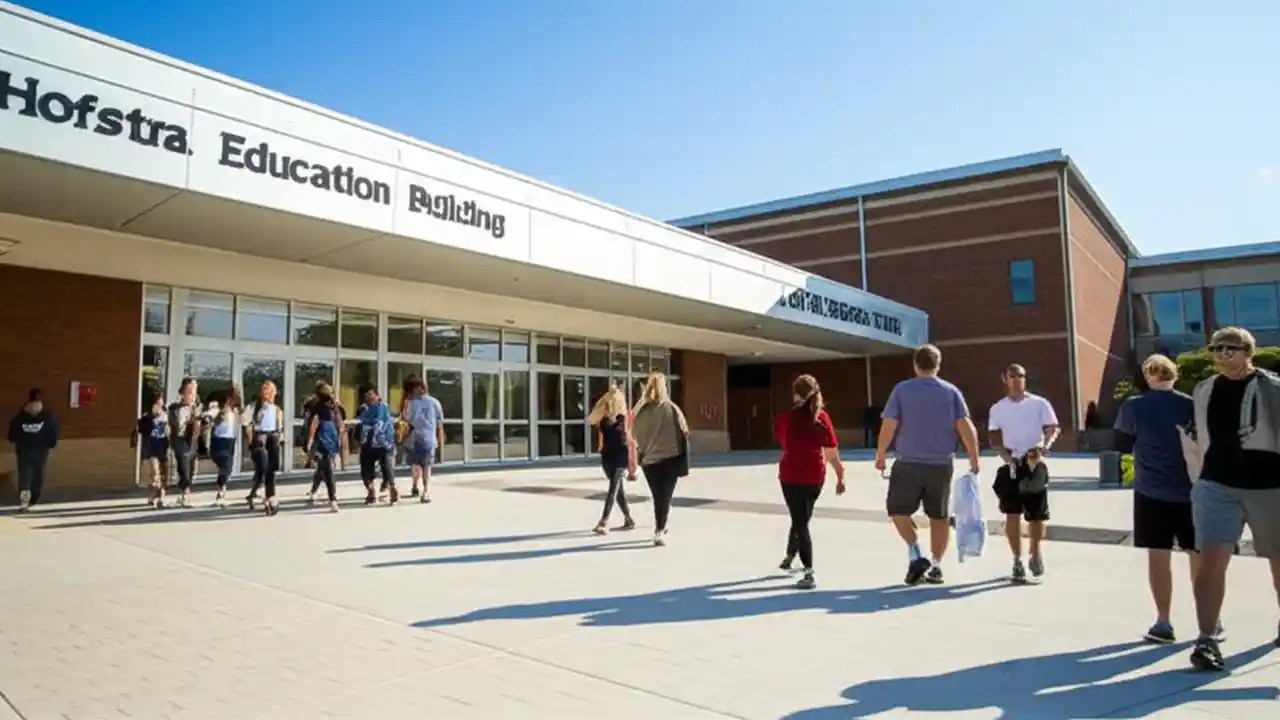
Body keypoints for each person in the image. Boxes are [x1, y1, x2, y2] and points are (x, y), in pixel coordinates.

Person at [1185, 327, 1280, 672]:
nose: (1224, 354)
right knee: (1211, 561)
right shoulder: (1204, 389)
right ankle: (1206, 639)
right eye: (1217, 348)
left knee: (1278, 560)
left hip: (1269, 485)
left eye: (1231, 348)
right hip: (1216, 484)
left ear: (1248, 351)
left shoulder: (1272, 387)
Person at [1114, 354, 1222, 645]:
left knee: (1158, 555)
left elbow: (1121, 443)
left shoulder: (1134, 405)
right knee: (1197, 554)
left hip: (1151, 490)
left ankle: (1164, 622)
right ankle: (1210, 621)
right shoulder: (1190, 404)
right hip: (1191, 490)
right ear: (1174, 375)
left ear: (1148, 375)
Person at [875, 344, 981, 585]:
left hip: (907, 464)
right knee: (939, 516)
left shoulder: (902, 390)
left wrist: (881, 454)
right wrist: (974, 459)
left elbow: (889, 425)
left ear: (915, 364)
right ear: (938, 365)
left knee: (898, 511)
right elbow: (966, 427)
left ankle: (915, 551)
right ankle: (936, 565)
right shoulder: (951, 392)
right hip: (940, 465)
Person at [988, 363, 1060, 583]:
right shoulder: (998, 408)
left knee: (1037, 515)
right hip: (1013, 464)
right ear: (1005, 379)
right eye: (1013, 376)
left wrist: (1045, 445)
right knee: (1012, 513)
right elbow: (993, 437)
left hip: (1034, 463)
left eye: (1021, 376)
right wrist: (1004, 454)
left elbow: (1053, 427)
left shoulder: (1039, 403)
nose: (1018, 379)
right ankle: (1017, 560)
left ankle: (1035, 550)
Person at [776, 374, 846, 590]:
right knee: (801, 516)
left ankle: (809, 572)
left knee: (800, 520)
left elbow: (783, 443)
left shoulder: (785, 418)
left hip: (791, 475)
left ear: (796, 393)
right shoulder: (821, 418)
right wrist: (840, 475)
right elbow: (832, 452)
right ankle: (789, 555)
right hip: (815, 476)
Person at [631, 372, 690, 547]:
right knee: (665, 497)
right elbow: (684, 430)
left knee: (658, 495)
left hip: (649, 461)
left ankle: (661, 526)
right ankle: (659, 529)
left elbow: (633, 435)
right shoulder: (671, 408)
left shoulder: (640, 410)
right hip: (670, 459)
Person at [587, 384, 637, 535]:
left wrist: (632, 466)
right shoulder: (603, 420)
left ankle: (603, 521)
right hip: (607, 458)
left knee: (613, 489)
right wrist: (608, 397)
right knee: (618, 490)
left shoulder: (624, 419)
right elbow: (592, 419)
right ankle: (629, 519)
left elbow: (631, 441)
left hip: (620, 459)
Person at [7, 388, 59, 512]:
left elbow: (12, 435)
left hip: (24, 451)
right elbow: (52, 434)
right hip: (40, 452)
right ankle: (31, 500)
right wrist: (49, 444)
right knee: (37, 477)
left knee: (25, 477)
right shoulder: (47, 417)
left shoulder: (20, 417)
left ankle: (25, 502)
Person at [402, 376, 444, 503]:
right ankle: (422, 489)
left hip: (417, 438)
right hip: (427, 438)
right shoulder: (435, 402)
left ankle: (421, 488)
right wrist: (439, 438)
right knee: (425, 465)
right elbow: (439, 422)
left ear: (419, 388)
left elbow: (406, 418)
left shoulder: (412, 403)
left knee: (418, 465)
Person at [245, 381, 285, 515]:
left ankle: (269, 496)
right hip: (260, 438)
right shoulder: (254, 407)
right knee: (263, 466)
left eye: (270, 390)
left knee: (272, 468)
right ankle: (259, 494)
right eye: (265, 390)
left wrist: (279, 436)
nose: (267, 393)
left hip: (272, 438)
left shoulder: (277, 409)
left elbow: (279, 427)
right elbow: (247, 424)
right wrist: (252, 440)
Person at [356, 384, 399, 506]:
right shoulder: (364, 409)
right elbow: (361, 420)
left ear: (377, 395)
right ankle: (371, 491)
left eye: (371, 394)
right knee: (365, 469)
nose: (369, 397)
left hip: (381, 442)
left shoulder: (382, 407)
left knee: (386, 465)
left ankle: (392, 487)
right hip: (367, 442)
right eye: (366, 395)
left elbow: (379, 422)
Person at [305, 382, 345, 513]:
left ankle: (313, 491)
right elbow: (314, 424)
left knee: (322, 469)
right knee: (327, 470)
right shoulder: (319, 406)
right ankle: (333, 499)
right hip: (322, 441)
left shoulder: (334, 405)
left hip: (329, 440)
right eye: (327, 388)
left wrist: (339, 440)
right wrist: (310, 442)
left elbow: (340, 424)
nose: (330, 390)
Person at [167, 377, 203, 508]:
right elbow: (170, 424)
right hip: (179, 440)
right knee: (184, 467)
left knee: (192, 468)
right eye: (190, 391)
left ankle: (185, 492)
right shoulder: (173, 408)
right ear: (183, 392)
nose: (192, 394)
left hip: (192, 440)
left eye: (194, 391)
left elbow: (201, 425)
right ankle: (184, 494)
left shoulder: (197, 408)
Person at [132, 391, 170, 508]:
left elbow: (169, 430)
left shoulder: (166, 415)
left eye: (161, 402)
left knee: (163, 473)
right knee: (155, 473)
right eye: (157, 402)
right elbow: (141, 429)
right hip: (151, 445)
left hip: (163, 445)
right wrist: (152, 417)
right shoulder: (147, 416)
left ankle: (160, 496)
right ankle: (155, 495)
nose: (159, 404)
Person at [208, 387, 241, 508]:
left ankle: (222, 489)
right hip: (219, 439)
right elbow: (210, 417)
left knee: (227, 466)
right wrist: (219, 415)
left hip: (230, 439)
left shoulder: (235, 411)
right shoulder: (218, 410)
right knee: (223, 463)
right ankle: (221, 488)